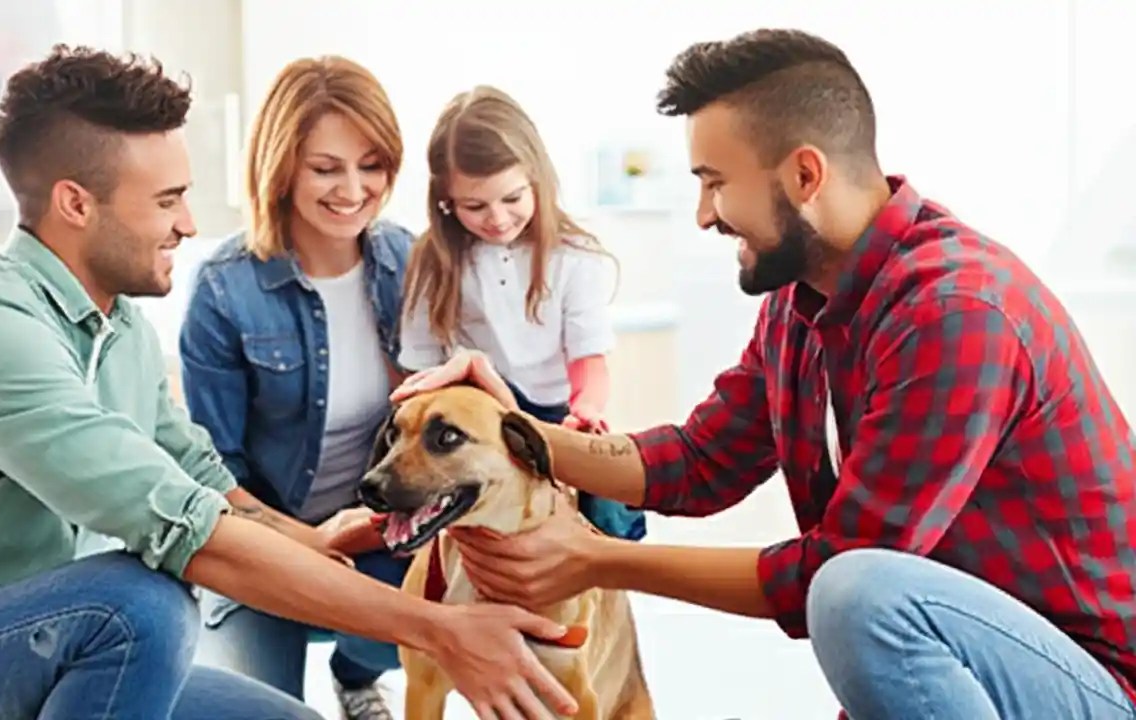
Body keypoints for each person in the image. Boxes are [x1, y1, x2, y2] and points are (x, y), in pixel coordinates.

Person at [392, 28, 1136, 720]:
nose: (703, 214)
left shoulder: (956, 312)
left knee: (855, 592)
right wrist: (509, 429)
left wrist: (597, 559)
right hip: (971, 667)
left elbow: (835, 572)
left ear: (804, 173)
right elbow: (698, 462)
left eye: (715, 182)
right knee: (857, 594)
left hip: (1094, 684)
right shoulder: (801, 302)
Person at [0, 45, 578, 720]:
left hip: (28, 651)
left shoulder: (121, 334)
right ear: (77, 204)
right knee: (136, 603)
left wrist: (316, 539)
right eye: (167, 200)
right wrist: (441, 630)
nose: (187, 223)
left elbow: (202, 477)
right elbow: (182, 525)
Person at [178, 55, 411, 719]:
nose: (353, 189)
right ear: (281, 167)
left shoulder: (407, 263)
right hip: (265, 543)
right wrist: (308, 543)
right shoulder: (227, 289)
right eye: (325, 167)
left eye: (371, 165)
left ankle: (354, 671)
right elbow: (214, 470)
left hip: (378, 536)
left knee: (444, 616)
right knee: (267, 711)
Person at [398, 84, 646, 542]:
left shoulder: (574, 256)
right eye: (475, 206)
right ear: (445, 201)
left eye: (512, 198)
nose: (496, 217)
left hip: (557, 415)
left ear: (537, 181)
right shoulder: (432, 262)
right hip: (474, 421)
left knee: (609, 517)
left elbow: (590, 360)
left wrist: (584, 412)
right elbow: (418, 369)